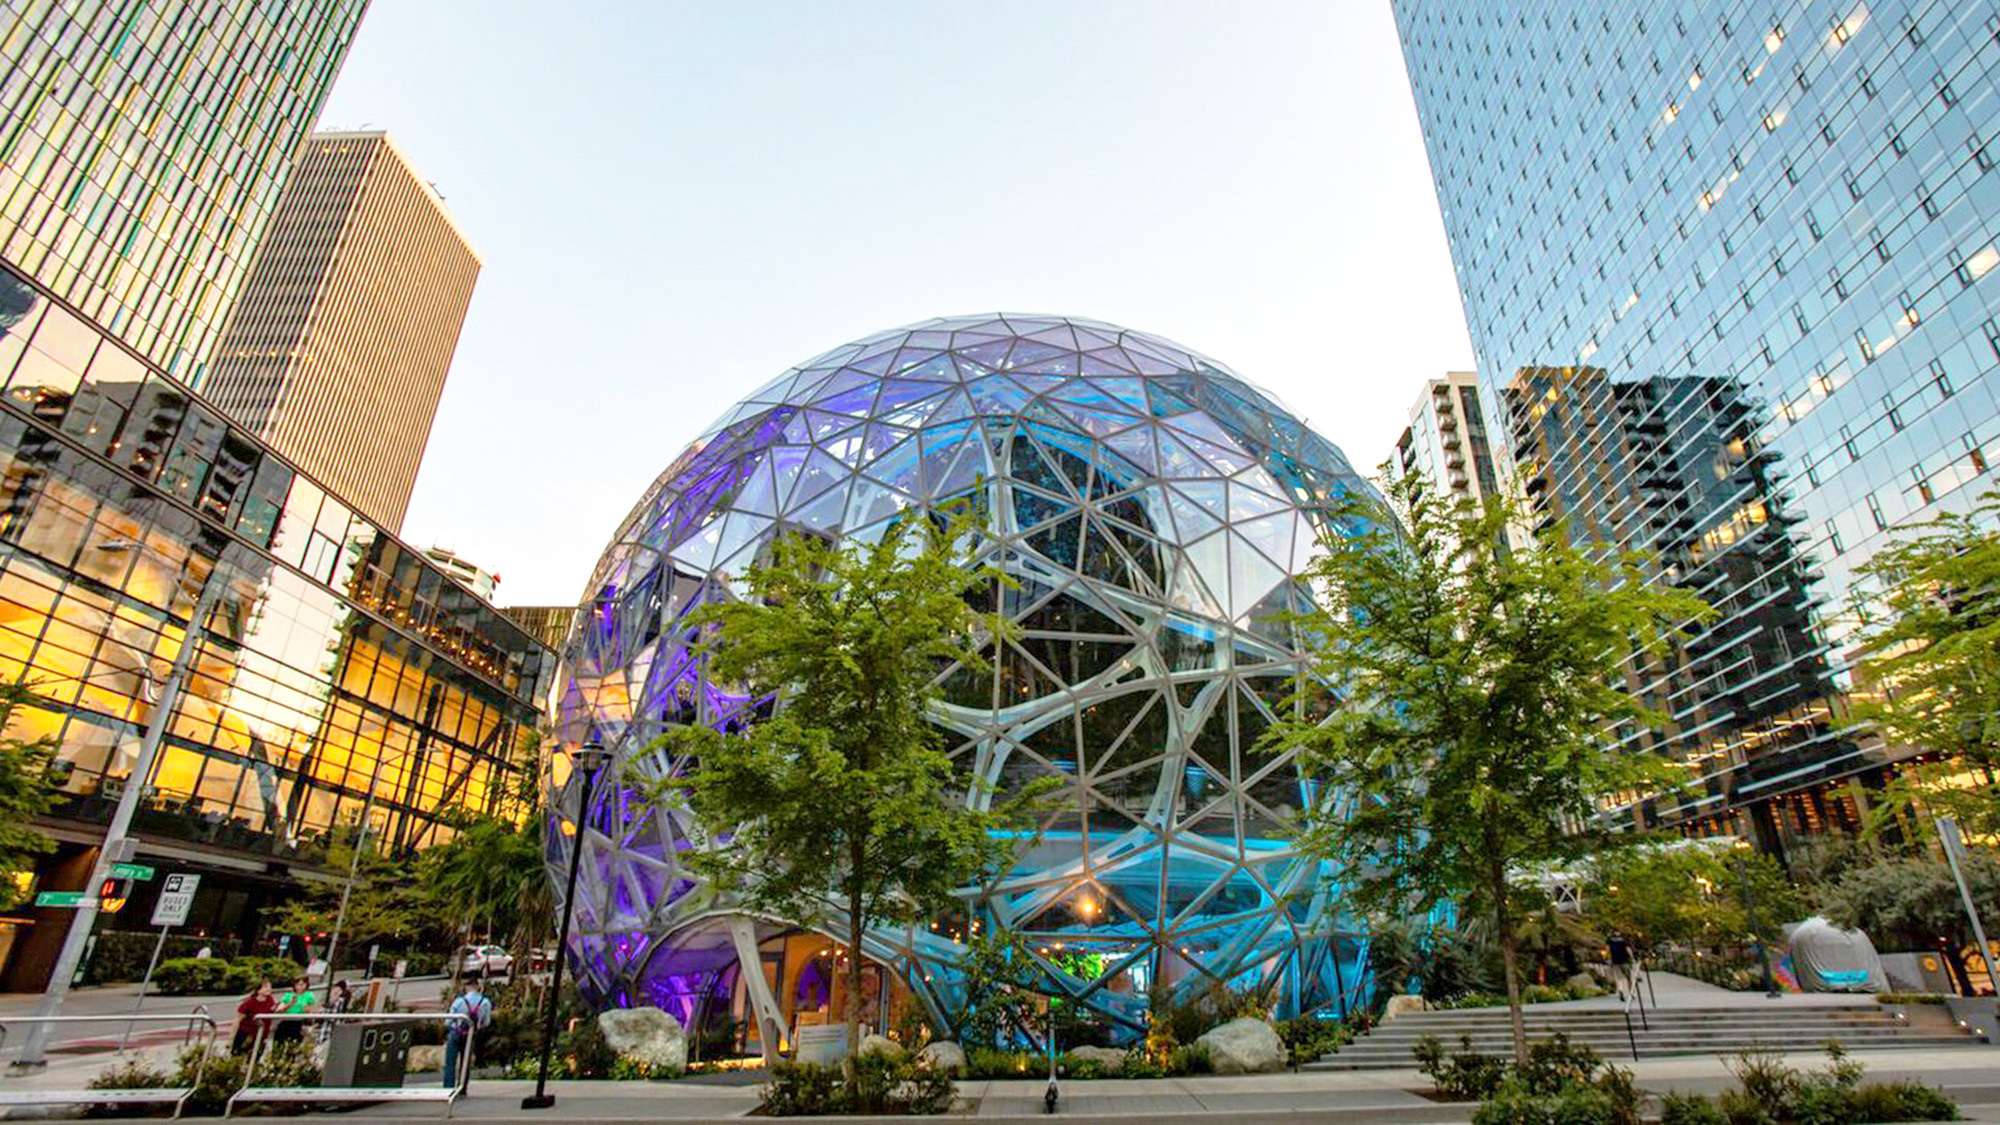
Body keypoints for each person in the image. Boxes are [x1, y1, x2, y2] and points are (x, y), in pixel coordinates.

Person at [443, 974, 493, 1091]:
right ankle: (462, 1087)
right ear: (478, 986)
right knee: (465, 1062)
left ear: (466, 987)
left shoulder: (459, 1001)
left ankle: (448, 1088)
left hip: (456, 1033)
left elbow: (448, 1021)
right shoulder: (485, 1002)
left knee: (450, 1062)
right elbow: (486, 1022)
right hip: (471, 1035)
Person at [232, 980, 278, 1054]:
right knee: (242, 1053)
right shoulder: (249, 1002)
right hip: (247, 1033)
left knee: (257, 1053)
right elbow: (238, 1019)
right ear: (258, 990)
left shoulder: (270, 1000)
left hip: (262, 1033)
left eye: (270, 987)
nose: (269, 989)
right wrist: (231, 1038)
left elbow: (273, 1011)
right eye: (266, 987)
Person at [274, 975, 317, 1043]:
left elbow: (310, 1010)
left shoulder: (309, 995)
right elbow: (279, 1010)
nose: (299, 987)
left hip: (299, 1021)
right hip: (287, 1020)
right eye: (297, 985)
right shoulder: (288, 995)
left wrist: (304, 1006)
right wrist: (290, 1004)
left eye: (301, 985)